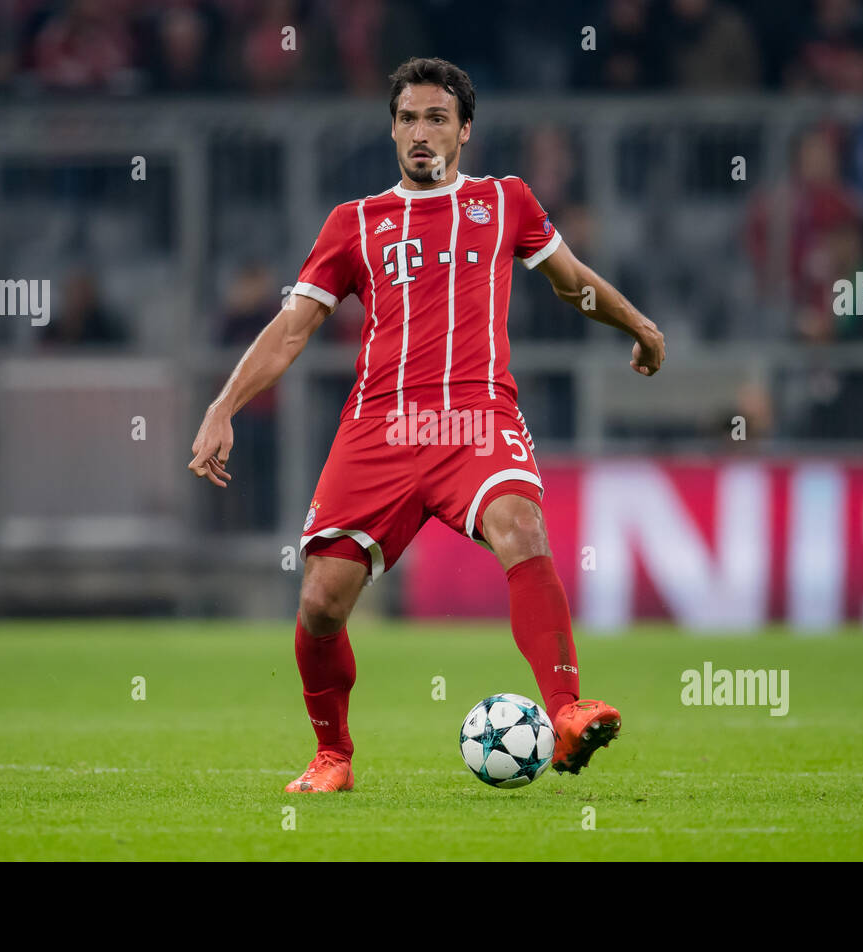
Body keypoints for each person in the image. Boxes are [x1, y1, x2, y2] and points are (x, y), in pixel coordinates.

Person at [188, 58, 665, 792]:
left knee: (521, 527)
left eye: (437, 118)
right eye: (408, 118)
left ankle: (566, 711)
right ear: (392, 128)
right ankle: (332, 755)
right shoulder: (354, 223)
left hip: (477, 415)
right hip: (381, 427)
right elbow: (290, 330)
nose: (421, 132)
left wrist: (640, 325)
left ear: (465, 130)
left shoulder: (505, 201)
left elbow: (571, 283)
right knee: (320, 601)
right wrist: (223, 406)